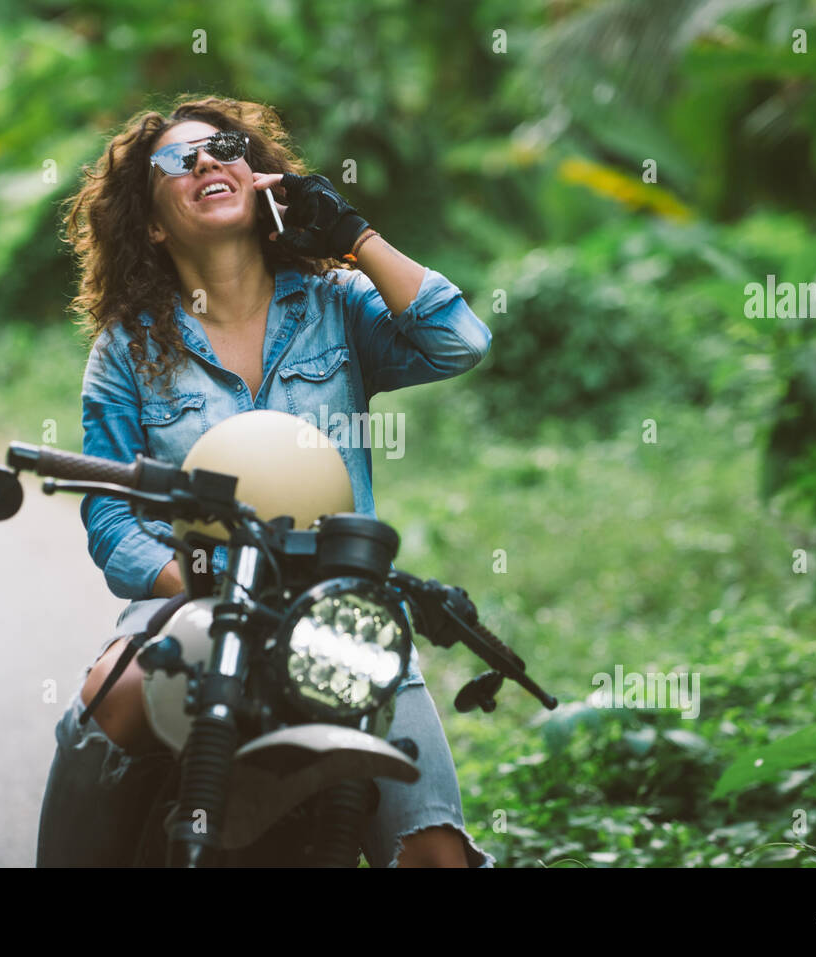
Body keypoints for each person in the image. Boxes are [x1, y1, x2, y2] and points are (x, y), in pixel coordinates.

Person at [35, 94, 495, 867]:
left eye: (225, 148)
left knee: (436, 855)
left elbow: (460, 342)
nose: (209, 162)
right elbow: (111, 518)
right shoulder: (127, 349)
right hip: (197, 606)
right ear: (152, 221)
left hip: (338, 614)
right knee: (108, 701)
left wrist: (355, 236)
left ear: (263, 181)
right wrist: (198, 577)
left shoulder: (339, 307)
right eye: (181, 160)